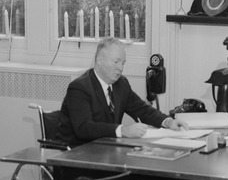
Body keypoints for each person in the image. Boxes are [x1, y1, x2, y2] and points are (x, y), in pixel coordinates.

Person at [56, 37, 188, 145]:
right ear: (100, 60)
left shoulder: (121, 84)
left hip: (107, 151)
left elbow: (143, 110)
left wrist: (168, 122)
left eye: (123, 63)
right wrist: (123, 130)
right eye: (116, 62)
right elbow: (84, 128)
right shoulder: (80, 88)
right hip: (77, 156)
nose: (120, 68)